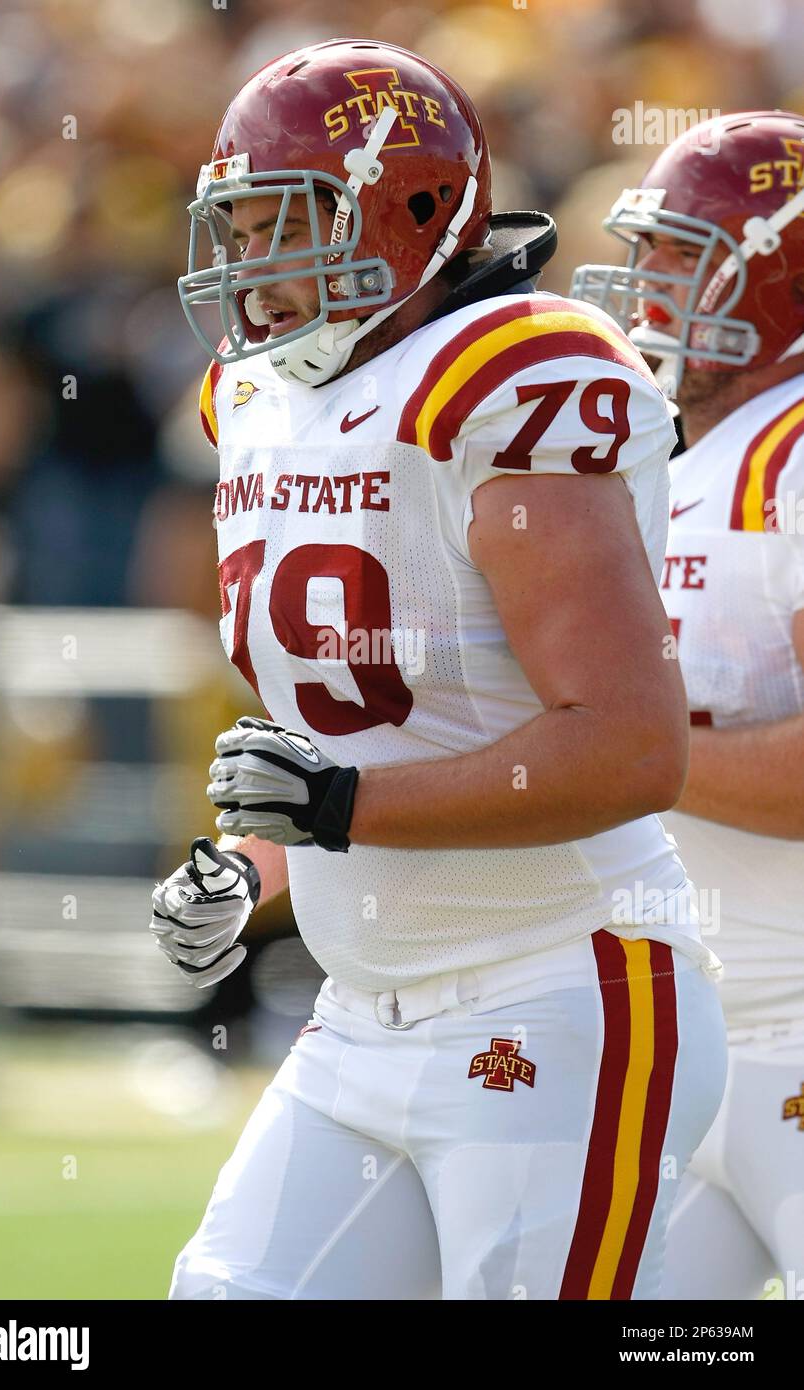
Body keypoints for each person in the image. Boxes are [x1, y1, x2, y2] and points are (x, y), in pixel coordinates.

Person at [150, 38, 725, 1301]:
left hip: (562, 997)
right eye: (233, 233)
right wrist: (258, 864)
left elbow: (629, 747)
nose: (251, 273)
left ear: (407, 213)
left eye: (280, 226)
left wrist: (341, 810)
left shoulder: (505, 377)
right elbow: (383, 746)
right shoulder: (253, 401)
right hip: (360, 1014)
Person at [572, 108, 804, 1300]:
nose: (646, 285)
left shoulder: (792, 456)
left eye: (681, 253)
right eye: (647, 251)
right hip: (687, 1042)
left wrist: (626, 752)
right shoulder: (659, 455)